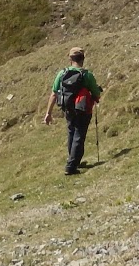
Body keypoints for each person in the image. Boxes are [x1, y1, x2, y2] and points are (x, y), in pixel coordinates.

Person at [43, 47, 102, 175]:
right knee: (79, 135)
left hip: (68, 108)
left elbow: (54, 93)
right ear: (83, 59)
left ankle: (74, 160)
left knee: (71, 132)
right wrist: (96, 96)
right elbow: (96, 94)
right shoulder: (87, 75)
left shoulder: (62, 73)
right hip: (83, 109)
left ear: (70, 59)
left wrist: (48, 113)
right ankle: (71, 166)